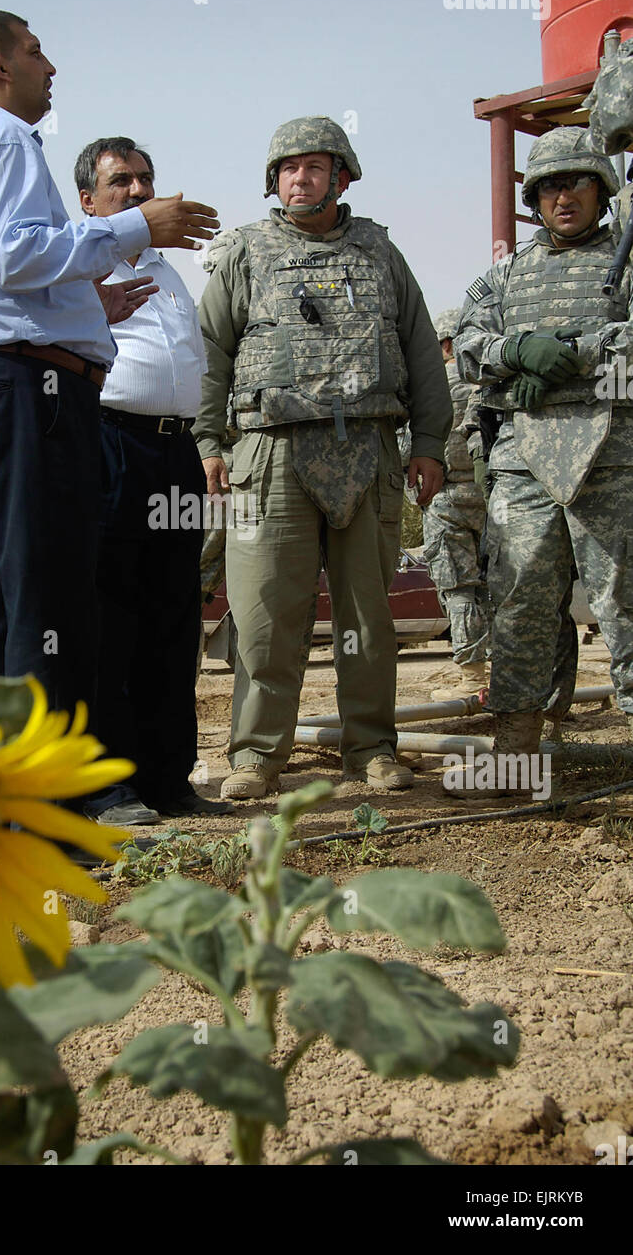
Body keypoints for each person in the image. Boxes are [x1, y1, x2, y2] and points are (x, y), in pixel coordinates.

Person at [0, 12, 218, 792]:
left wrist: (87, 313)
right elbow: (17, 256)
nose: (52, 67)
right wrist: (130, 229)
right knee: (50, 605)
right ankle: (49, 807)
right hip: (25, 397)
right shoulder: (6, 140)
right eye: (36, 50)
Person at [195, 116, 451, 798]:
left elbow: (422, 354)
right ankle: (255, 756)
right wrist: (206, 442)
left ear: (341, 177)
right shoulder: (243, 253)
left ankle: (370, 746)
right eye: (287, 169)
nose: (298, 179)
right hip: (269, 456)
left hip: (366, 453)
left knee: (367, 617)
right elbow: (208, 355)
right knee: (263, 616)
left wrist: (428, 445)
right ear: (272, 181)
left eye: (313, 167)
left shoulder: (379, 254)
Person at [455, 125, 633, 785]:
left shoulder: (626, 260)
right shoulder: (503, 277)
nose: (563, 196)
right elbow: (469, 344)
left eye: (577, 182)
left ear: (601, 190)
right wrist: (515, 352)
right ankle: (515, 747)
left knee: (623, 602)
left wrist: (567, 354)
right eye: (550, 185)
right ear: (533, 196)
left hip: (612, 453)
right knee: (520, 603)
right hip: (523, 461)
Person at [71, 136, 223, 822]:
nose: (136, 192)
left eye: (144, 180)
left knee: (172, 615)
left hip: (176, 454)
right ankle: (109, 786)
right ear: (87, 200)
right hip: (110, 447)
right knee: (110, 620)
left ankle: (169, 778)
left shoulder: (167, 270)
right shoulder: (73, 268)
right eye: (119, 182)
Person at [422, 310, 490, 701]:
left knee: (460, 589)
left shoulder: (432, 387)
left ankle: (472, 677)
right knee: (500, 586)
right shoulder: (486, 380)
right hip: (490, 496)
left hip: (445, 498)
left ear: (445, 344)